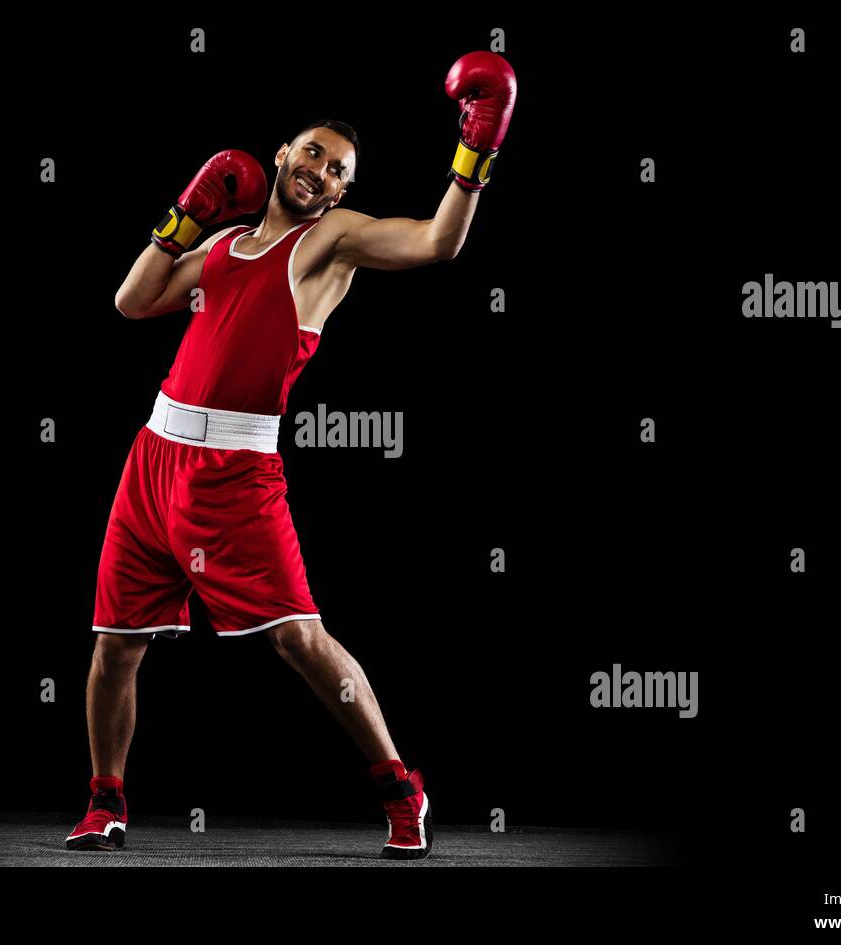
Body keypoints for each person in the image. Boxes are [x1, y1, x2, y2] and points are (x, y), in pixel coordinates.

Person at [67, 52, 517, 860]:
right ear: (280, 156)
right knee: (113, 644)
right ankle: (106, 800)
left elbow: (436, 243)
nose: (321, 171)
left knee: (299, 639)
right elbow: (132, 300)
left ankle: (399, 785)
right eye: (311, 153)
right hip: (153, 458)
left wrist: (477, 147)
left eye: (338, 169)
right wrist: (186, 213)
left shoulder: (328, 245)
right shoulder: (227, 244)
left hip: (238, 477)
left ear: (343, 191)